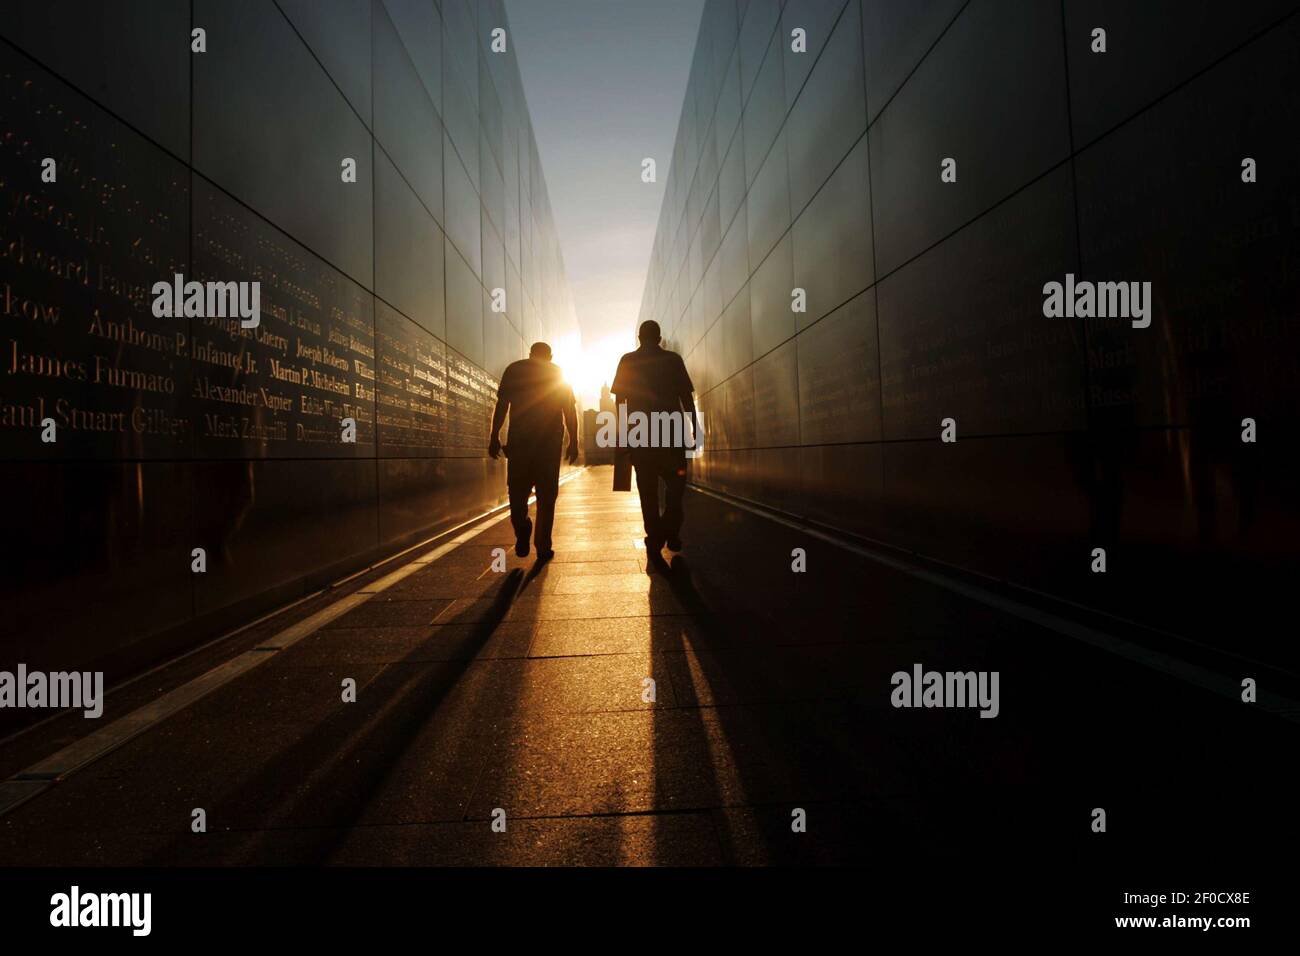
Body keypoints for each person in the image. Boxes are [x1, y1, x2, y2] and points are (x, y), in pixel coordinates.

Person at [611, 320, 697, 559]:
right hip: (671, 434)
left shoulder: (627, 360)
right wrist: (695, 430)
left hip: (641, 436)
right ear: (659, 338)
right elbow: (686, 399)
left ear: (639, 338)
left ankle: (655, 536)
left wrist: (623, 434)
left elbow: (620, 403)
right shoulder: (673, 359)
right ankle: (671, 531)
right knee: (676, 488)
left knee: (647, 492)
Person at [489, 342, 579, 560]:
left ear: (530, 354)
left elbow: (502, 404)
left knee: (517, 494)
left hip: (520, 445)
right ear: (550, 356)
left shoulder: (515, 369)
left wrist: (494, 435)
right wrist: (573, 440)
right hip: (548, 447)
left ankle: (522, 528)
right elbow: (569, 410)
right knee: (547, 498)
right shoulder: (558, 374)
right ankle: (543, 546)